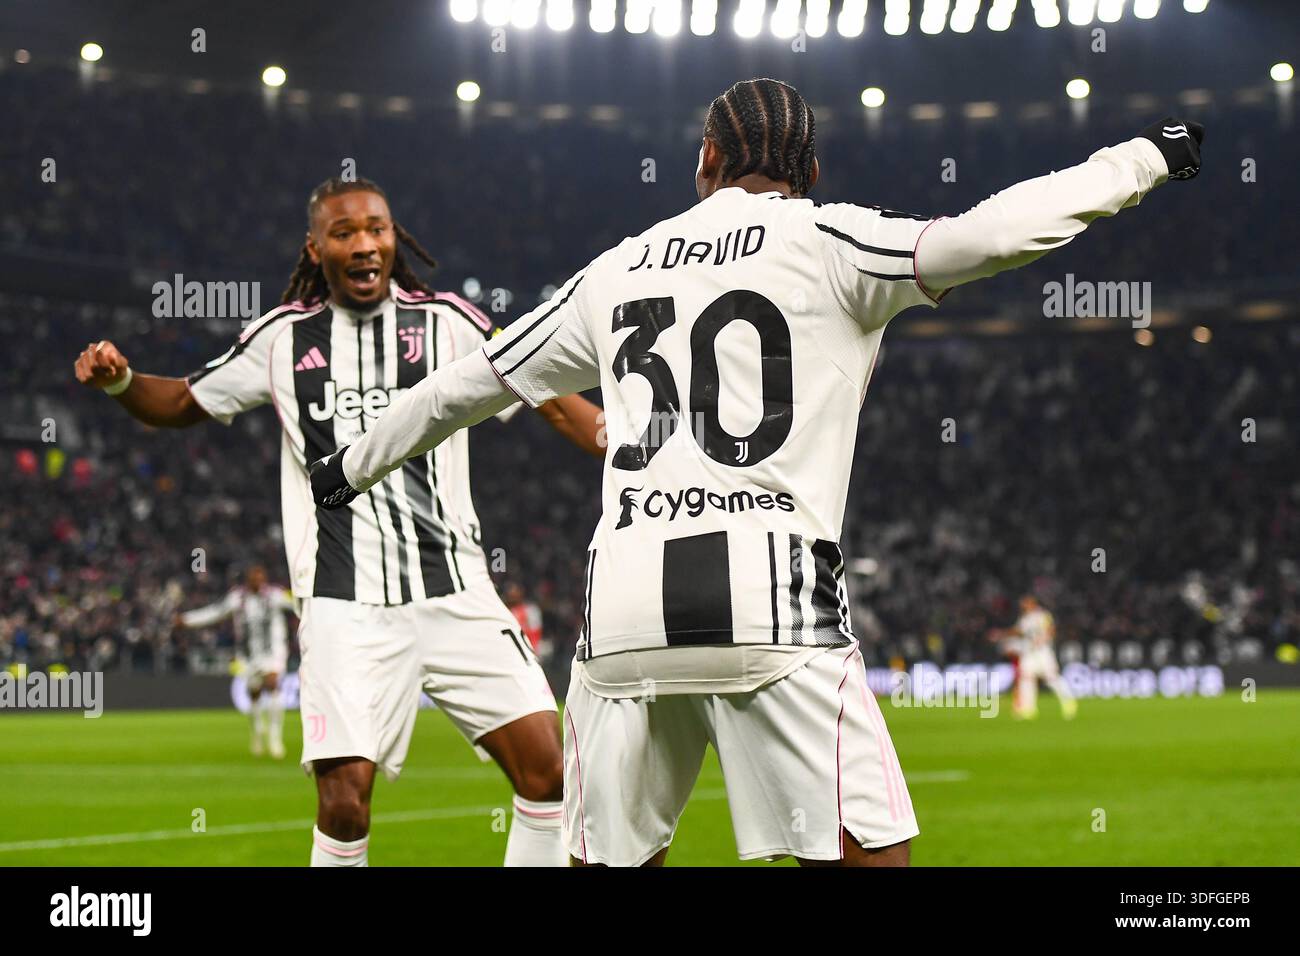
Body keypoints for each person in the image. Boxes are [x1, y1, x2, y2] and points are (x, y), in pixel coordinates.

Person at [309, 79, 1204, 866]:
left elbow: (471, 383)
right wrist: (1145, 159)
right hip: (770, 606)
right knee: (865, 854)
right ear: (810, 170)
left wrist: (350, 463)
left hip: (622, 613)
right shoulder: (831, 239)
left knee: (605, 858)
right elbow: (992, 235)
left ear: (705, 158)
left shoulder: (618, 267)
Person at [74, 177, 604, 866]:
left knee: (552, 773)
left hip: (456, 593)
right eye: (345, 233)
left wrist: (630, 440)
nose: (364, 245)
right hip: (343, 604)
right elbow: (180, 402)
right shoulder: (281, 340)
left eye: (376, 229)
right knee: (345, 803)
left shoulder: (449, 322)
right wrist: (120, 380)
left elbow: (552, 397)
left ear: (395, 238)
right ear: (315, 247)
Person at [175, 564, 295, 758]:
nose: (258, 580)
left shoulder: (275, 595)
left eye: (261, 576)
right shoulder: (237, 598)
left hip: (273, 653)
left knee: (273, 684)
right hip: (247, 656)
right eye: (254, 577)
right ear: (248, 579)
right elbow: (214, 613)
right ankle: (257, 731)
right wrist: (188, 620)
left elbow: (298, 603)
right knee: (254, 693)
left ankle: (275, 738)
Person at [991, 595, 1078, 720]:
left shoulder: (1042, 615)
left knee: (1051, 678)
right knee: (1026, 678)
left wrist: (1043, 639)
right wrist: (1002, 634)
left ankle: (1068, 701)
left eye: (1026, 603)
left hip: (1042, 651)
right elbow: (1018, 631)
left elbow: (1051, 629)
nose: (1023, 606)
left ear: (1033, 603)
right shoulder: (1025, 618)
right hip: (1029, 652)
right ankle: (1028, 709)